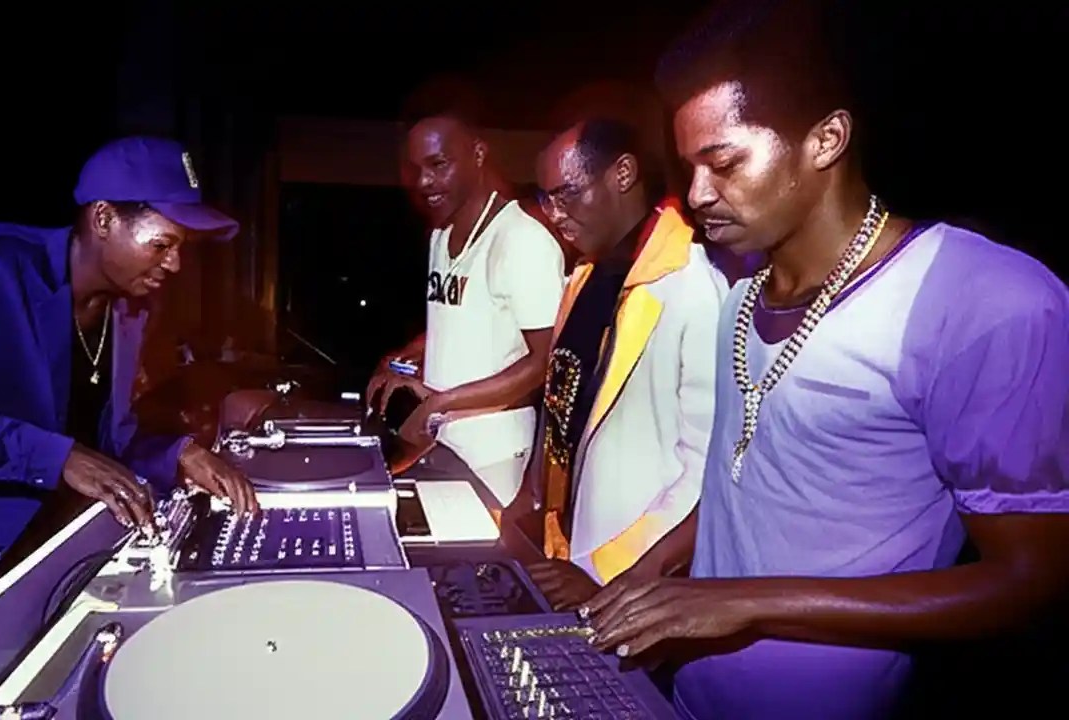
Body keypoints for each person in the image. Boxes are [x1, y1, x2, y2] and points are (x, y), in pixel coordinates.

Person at [581, 2, 1069, 719]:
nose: (696, 194)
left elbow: (1034, 579)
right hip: (685, 696)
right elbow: (748, 484)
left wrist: (744, 604)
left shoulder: (986, 299)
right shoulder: (738, 301)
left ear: (828, 139)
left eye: (724, 161)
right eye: (689, 167)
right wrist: (649, 575)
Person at [0, 136, 260, 662]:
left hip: (41, 567)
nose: (174, 264)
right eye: (162, 244)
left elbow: (110, 439)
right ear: (103, 218)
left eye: (180, 249)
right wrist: (51, 456)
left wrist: (179, 453)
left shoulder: (131, 311)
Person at [514, 118, 726, 609]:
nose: (555, 215)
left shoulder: (694, 285)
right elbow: (565, 411)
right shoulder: (583, 277)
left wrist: (605, 570)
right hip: (568, 560)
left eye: (565, 194)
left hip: (636, 587)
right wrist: (532, 502)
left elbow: (706, 474)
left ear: (623, 174)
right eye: (545, 200)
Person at [367, 85, 566, 512]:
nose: (423, 182)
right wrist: (403, 359)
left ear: (478, 154)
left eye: (438, 165)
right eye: (416, 168)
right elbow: (462, 320)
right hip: (444, 438)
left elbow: (543, 361)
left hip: (493, 451)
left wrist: (441, 403)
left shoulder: (521, 240)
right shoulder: (441, 235)